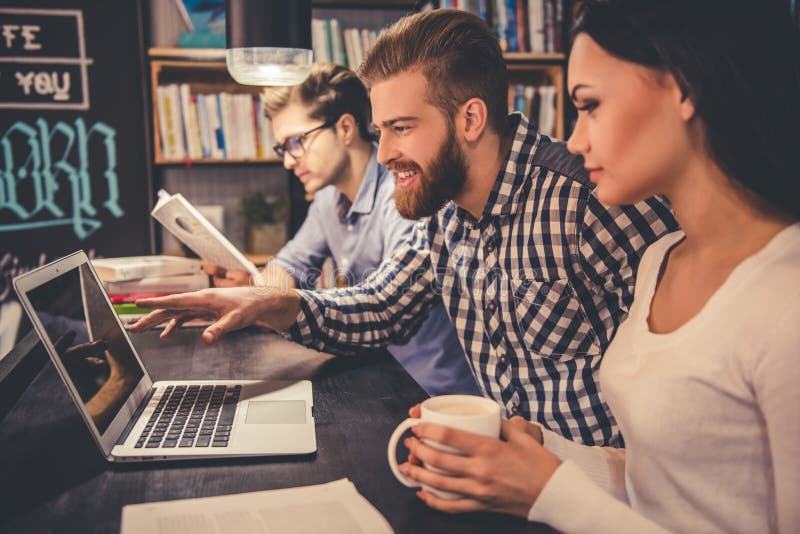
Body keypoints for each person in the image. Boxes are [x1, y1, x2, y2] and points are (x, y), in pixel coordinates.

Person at [132, 9, 677, 446]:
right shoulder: (442, 209)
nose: (385, 152)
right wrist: (279, 305)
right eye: (379, 130)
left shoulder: (591, 200)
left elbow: (684, 390)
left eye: (401, 128)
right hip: (507, 471)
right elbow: (384, 306)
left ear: (470, 119)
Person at [393, 1, 800, 531]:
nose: (576, 140)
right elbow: (665, 486)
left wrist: (549, 492)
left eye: (591, 105)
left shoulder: (785, 300)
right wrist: (538, 453)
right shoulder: (660, 260)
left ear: (685, 89)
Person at [203, 63, 479, 396]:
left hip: (429, 390)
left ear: (346, 128)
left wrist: (272, 303)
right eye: (283, 148)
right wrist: (257, 292)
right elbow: (289, 266)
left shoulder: (407, 196)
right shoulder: (327, 199)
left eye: (296, 142)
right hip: (372, 372)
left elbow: (381, 307)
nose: (288, 161)